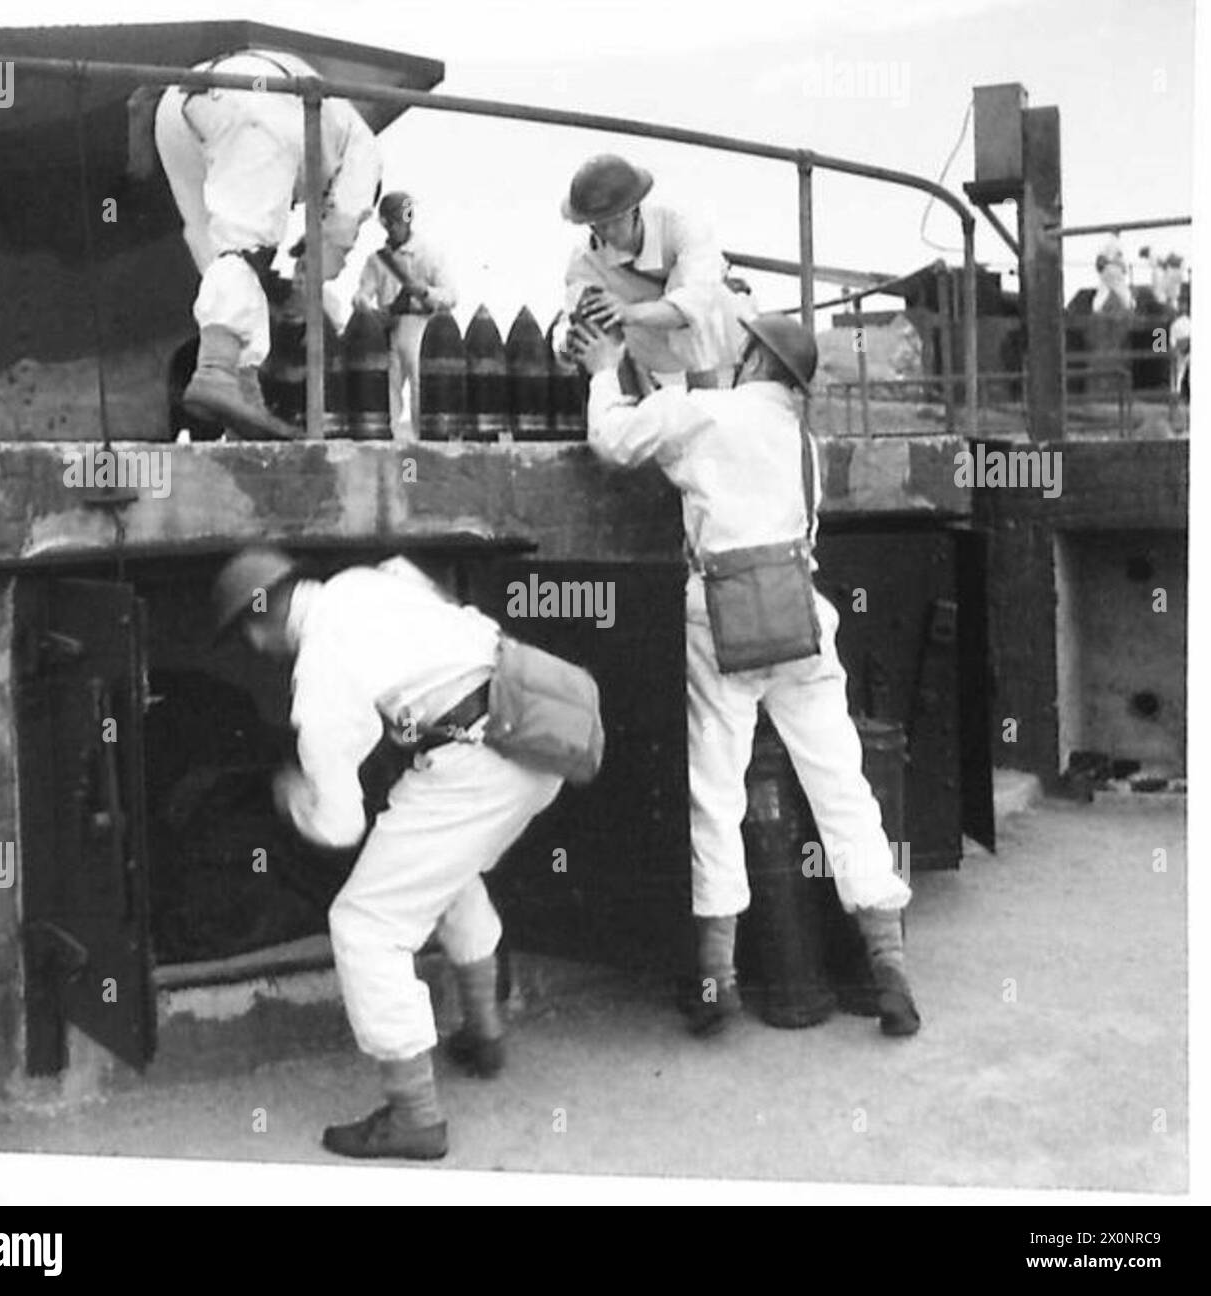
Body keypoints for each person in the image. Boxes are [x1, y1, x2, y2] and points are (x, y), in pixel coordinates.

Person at [569, 311, 921, 1039]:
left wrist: (605, 368)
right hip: (799, 616)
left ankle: (717, 979)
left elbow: (614, 441)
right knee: (844, 789)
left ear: (756, 359)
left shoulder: (707, 413)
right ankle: (889, 969)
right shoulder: (802, 443)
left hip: (723, 618)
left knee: (716, 791)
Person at [212, 548, 567, 1160]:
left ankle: (416, 1116)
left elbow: (341, 825)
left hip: (479, 767)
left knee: (364, 924)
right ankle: (484, 1033)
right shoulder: (366, 581)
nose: (250, 644)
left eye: (244, 631)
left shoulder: (321, 672)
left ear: (259, 616)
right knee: (445, 869)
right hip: (536, 735)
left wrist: (292, 793)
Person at [147, 48, 383, 438]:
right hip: (255, 100)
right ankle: (217, 371)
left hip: (180, 103)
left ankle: (243, 386)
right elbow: (346, 218)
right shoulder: (363, 148)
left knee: (216, 249)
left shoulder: (328, 130)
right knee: (247, 247)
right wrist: (316, 268)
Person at [561, 154, 755, 396]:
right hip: (648, 348)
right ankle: (628, 414)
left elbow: (697, 301)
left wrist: (628, 312)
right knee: (597, 334)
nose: (608, 231)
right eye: (599, 224)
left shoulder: (680, 225)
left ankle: (704, 412)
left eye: (616, 219)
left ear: (634, 210)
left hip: (722, 337)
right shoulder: (585, 260)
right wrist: (582, 330)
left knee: (694, 303)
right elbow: (575, 312)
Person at [352, 192, 457, 439]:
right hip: (389, 329)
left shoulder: (428, 254)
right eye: (396, 222)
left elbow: (451, 296)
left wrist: (424, 291)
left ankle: (419, 452)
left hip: (421, 327)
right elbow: (361, 295)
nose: (401, 226)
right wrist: (373, 311)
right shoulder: (377, 261)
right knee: (388, 393)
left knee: (421, 391)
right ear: (387, 224)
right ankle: (394, 449)